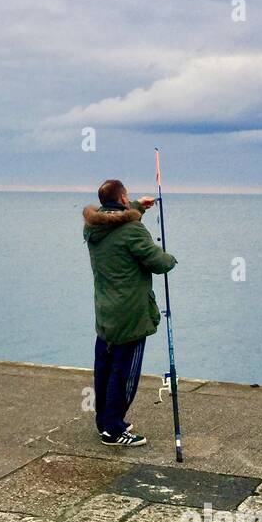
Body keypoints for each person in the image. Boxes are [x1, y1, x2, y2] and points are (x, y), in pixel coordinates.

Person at [83, 178, 177, 446]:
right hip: (131, 314)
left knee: (104, 368)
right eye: (128, 197)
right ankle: (113, 430)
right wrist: (171, 259)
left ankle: (104, 421)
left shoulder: (92, 227)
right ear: (122, 198)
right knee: (124, 373)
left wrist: (139, 206)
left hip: (105, 312)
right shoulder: (133, 231)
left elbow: (115, 223)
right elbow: (159, 263)